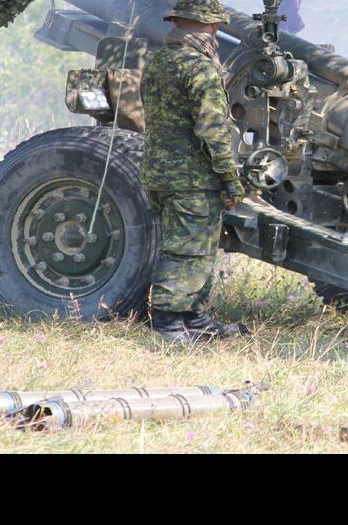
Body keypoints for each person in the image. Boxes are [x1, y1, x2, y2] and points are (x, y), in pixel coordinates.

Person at [141, 0, 248, 343]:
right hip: (191, 175)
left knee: (197, 246)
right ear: (213, 27)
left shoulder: (157, 61)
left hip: (159, 170)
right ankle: (169, 323)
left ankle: (194, 317)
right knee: (186, 249)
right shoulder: (200, 67)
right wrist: (231, 177)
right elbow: (213, 129)